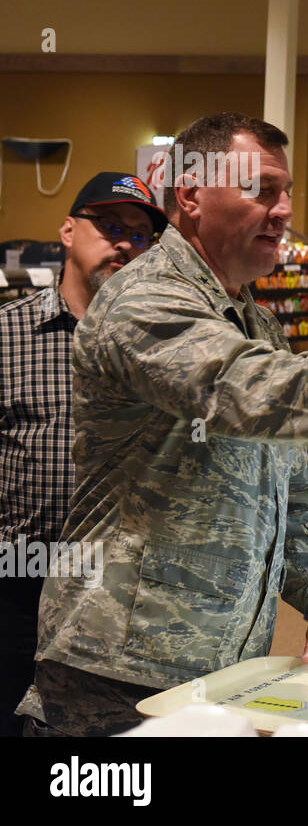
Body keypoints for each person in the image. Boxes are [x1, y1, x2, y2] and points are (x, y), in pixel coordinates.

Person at [27, 113, 308, 737]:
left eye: (287, 192)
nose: (284, 209)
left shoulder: (254, 322)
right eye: (261, 190)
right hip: (120, 671)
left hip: (224, 666)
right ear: (190, 196)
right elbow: (251, 391)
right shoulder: (144, 298)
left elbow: (292, 494)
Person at [0, 172, 166, 738]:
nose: (126, 244)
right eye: (112, 227)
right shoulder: (9, 337)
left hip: (125, 599)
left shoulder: (165, 348)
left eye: (143, 237)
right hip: (21, 589)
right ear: (68, 231)